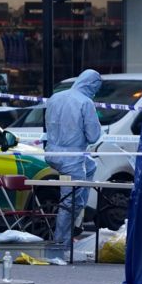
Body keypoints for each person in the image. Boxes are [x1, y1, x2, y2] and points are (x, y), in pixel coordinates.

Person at [44, 69, 102, 247]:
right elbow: (93, 136)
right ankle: (61, 241)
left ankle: (78, 213)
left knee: (90, 165)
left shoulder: (56, 97)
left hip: (53, 153)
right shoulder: (85, 102)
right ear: (92, 86)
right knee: (71, 200)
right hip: (71, 158)